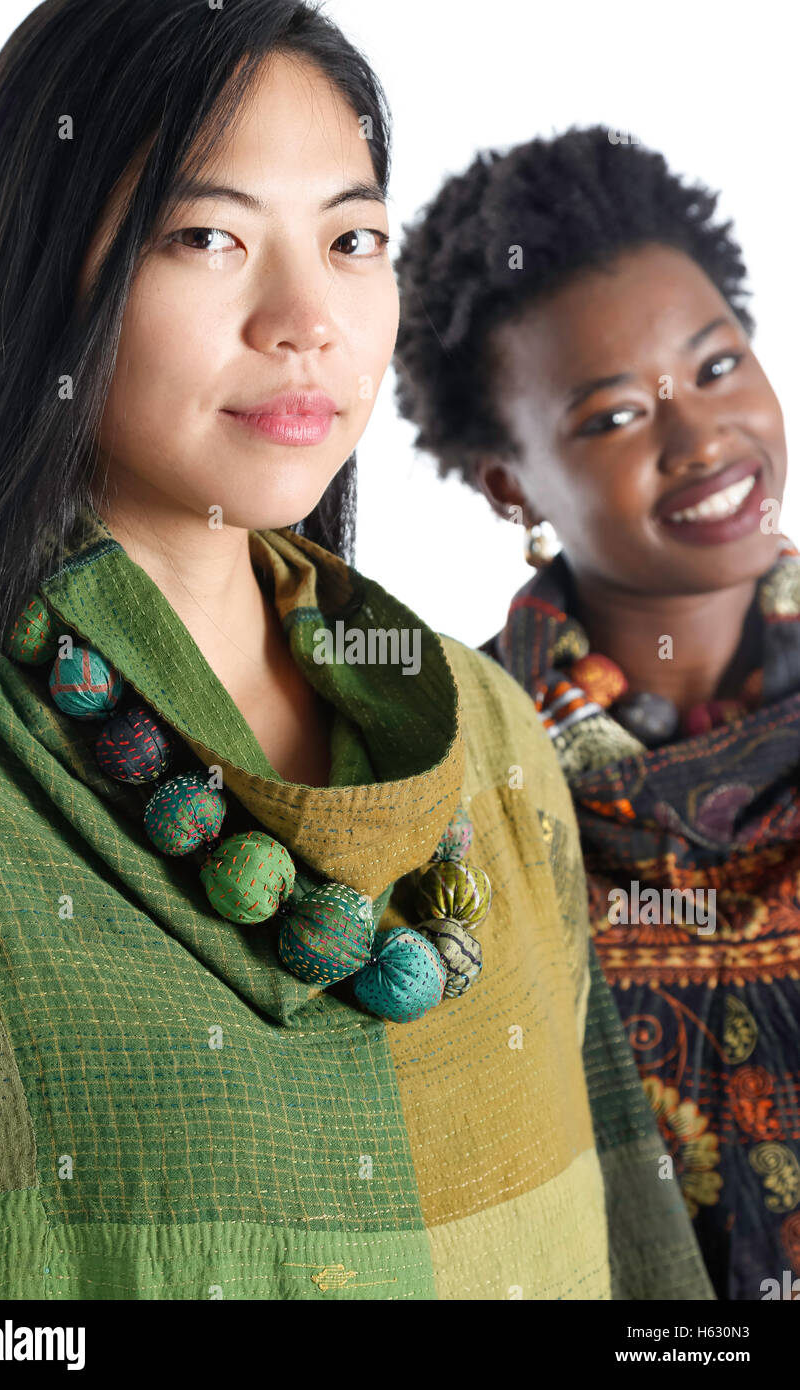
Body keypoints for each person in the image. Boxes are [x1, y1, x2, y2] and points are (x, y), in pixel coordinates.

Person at [0, 0, 708, 1301]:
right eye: (206, 236)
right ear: (45, 264)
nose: (305, 316)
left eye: (352, 238)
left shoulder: (489, 732)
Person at [394, 123, 800, 1301]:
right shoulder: (444, 777)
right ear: (508, 482)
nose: (699, 437)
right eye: (614, 416)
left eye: (716, 364)